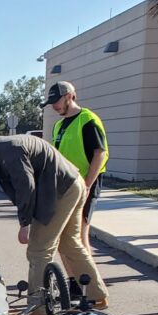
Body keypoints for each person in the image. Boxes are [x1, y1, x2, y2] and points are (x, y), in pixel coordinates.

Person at [0, 128, 110, 315]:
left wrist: (25, 223)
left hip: (62, 190)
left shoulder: (11, 150)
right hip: (72, 185)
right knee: (69, 243)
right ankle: (97, 295)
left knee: (39, 249)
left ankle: (38, 307)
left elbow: (26, 187)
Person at [44, 81, 108, 251]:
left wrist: (87, 185)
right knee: (66, 237)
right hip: (65, 185)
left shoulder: (87, 119)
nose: (54, 106)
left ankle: (89, 277)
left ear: (70, 97)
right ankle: (73, 277)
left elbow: (99, 153)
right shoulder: (59, 125)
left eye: (56, 101)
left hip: (85, 184)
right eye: (51, 103)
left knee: (79, 235)